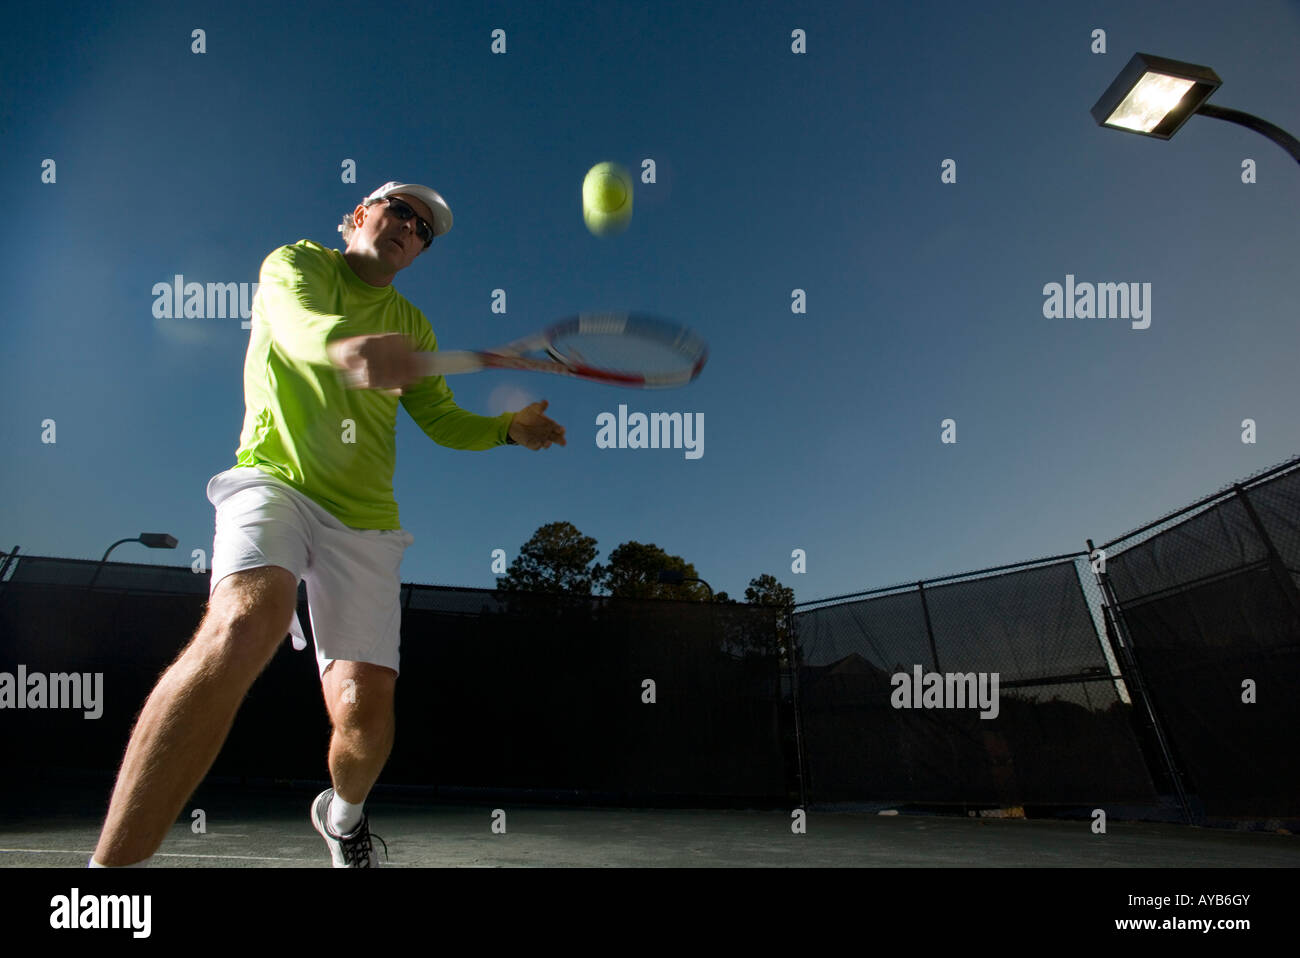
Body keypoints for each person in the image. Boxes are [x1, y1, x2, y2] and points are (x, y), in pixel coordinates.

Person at [91, 181, 566, 868]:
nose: (410, 227)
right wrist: (352, 349)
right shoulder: (296, 264)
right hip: (273, 481)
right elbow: (304, 327)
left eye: (424, 229)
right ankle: (106, 881)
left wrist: (505, 429)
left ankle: (342, 819)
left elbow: (440, 420)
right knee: (242, 624)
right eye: (399, 210)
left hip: (365, 521)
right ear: (357, 217)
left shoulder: (415, 327)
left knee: (366, 722)